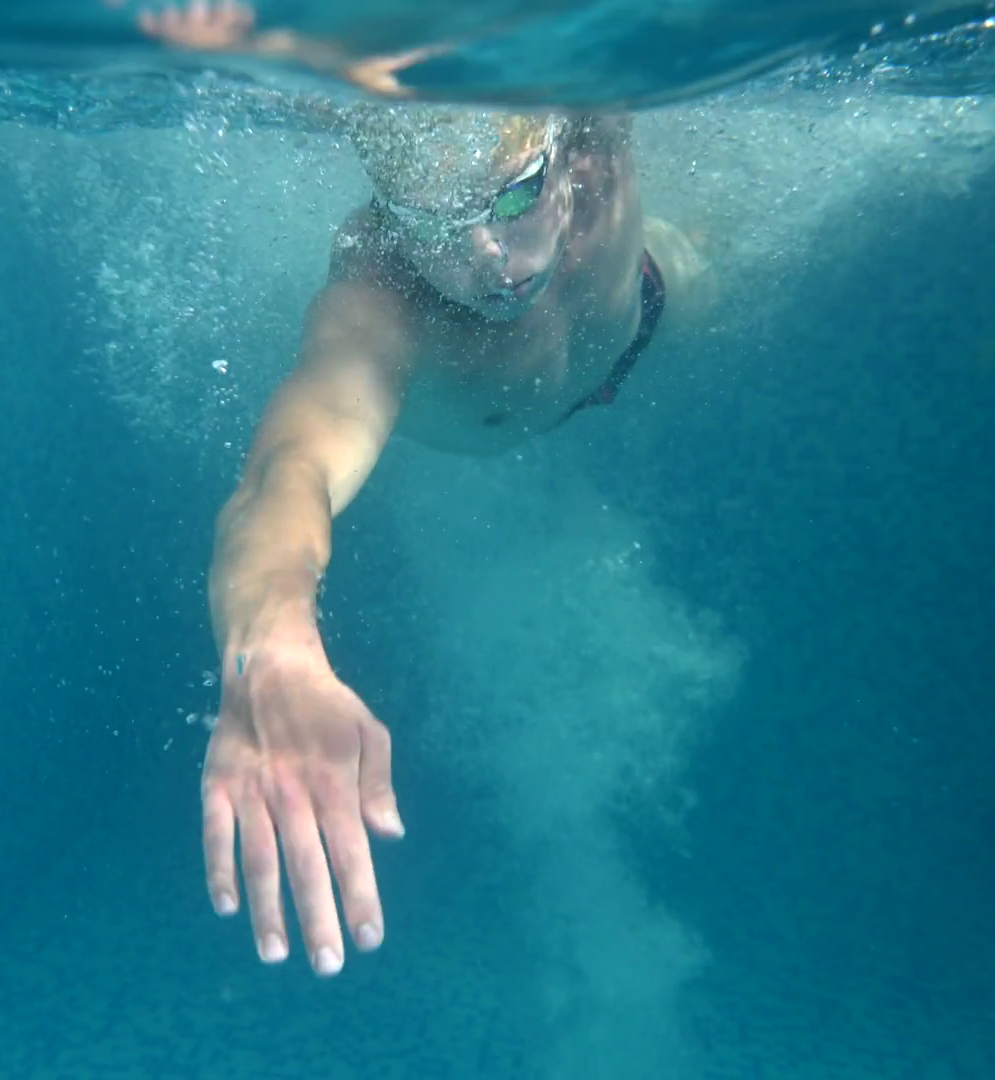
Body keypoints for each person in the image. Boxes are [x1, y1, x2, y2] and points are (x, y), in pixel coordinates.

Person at [126, 0, 711, 982]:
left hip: (648, 308)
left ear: (567, 157)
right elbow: (288, 474)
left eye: (512, 201)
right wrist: (269, 644)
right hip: (512, 418)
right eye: (434, 221)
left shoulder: (599, 133)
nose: (484, 257)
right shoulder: (379, 302)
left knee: (717, 272)